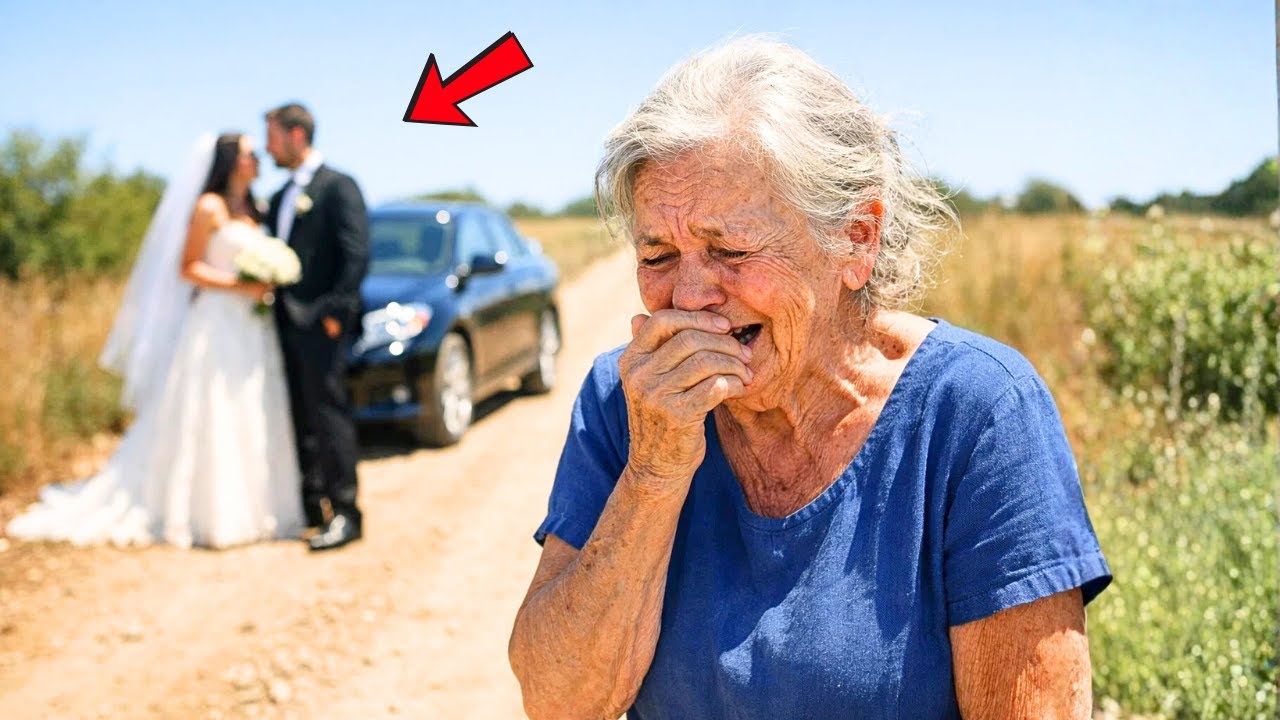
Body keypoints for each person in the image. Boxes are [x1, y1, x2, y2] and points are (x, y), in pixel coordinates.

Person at [509, 38, 1111, 719]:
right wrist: (653, 476)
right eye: (658, 253)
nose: (689, 295)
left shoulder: (978, 413)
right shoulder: (623, 401)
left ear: (856, 239)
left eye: (729, 250)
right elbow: (559, 700)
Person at [7, 133, 304, 549]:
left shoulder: (256, 208)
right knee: (214, 412)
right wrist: (241, 285)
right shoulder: (208, 207)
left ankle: (262, 509)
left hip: (252, 328)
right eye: (250, 154)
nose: (258, 160)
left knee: (252, 410)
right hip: (217, 322)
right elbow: (189, 267)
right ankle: (209, 515)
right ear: (231, 162)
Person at [263, 103, 369, 552]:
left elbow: (356, 254)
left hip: (320, 326)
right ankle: (311, 506)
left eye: (272, 136)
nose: (268, 146)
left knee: (328, 417)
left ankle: (346, 512)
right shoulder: (279, 195)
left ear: (295, 135)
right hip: (281, 325)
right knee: (299, 418)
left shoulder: (337, 186)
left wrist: (333, 314)